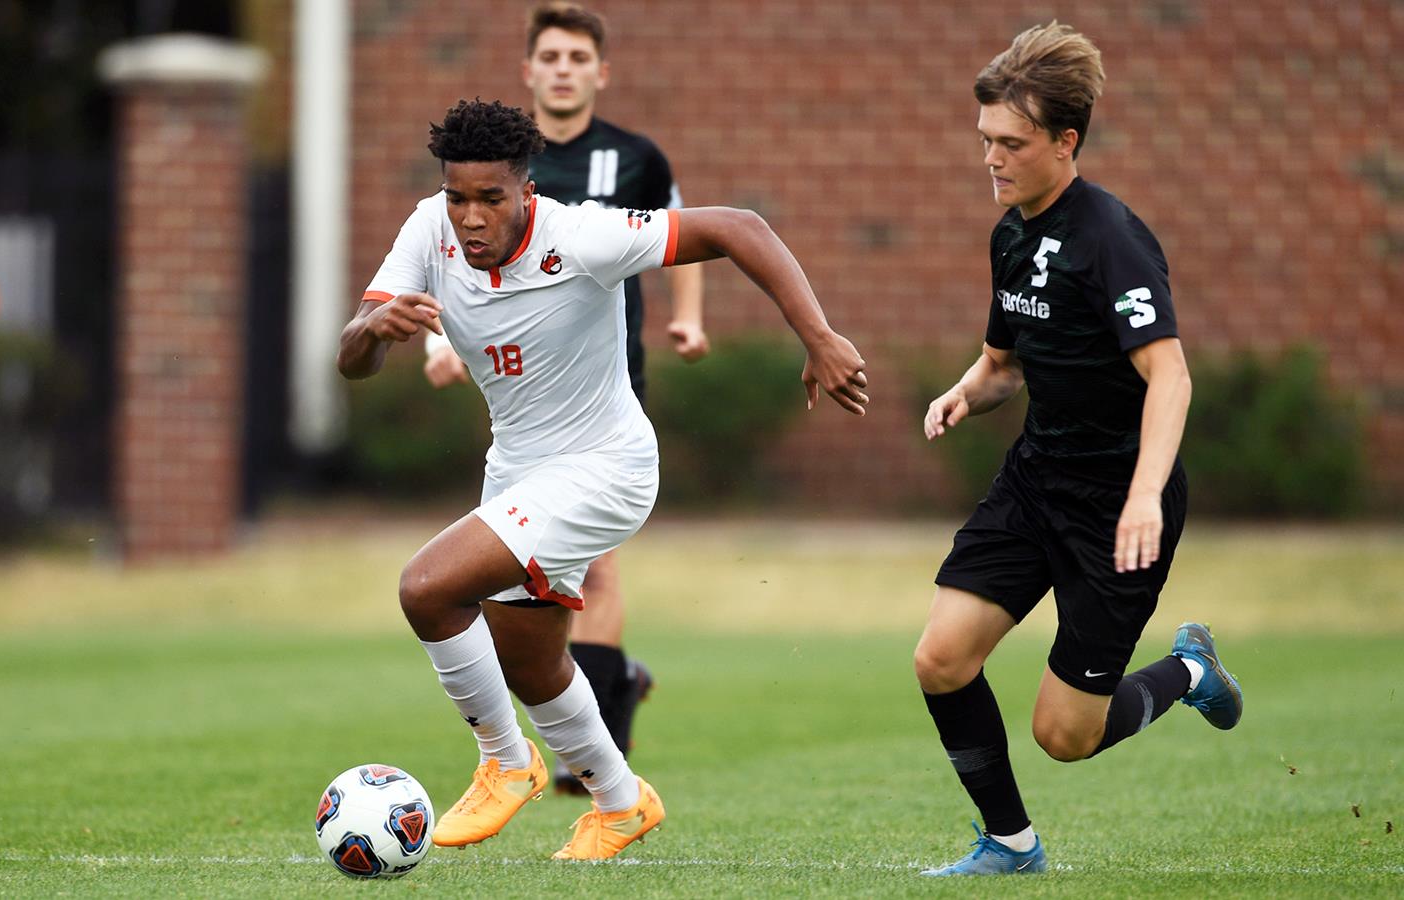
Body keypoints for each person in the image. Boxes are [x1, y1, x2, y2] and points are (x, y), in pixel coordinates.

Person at [340, 99, 865, 860]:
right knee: (531, 660)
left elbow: (741, 227)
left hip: (606, 470)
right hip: (518, 472)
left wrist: (817, 336)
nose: (472, 217)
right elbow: (352, 360)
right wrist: (369, 332)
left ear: (527, 189)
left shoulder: (582, 235)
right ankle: (621, 804)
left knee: (426, 587)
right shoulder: (429, 230)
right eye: (459, 197)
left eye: (491, 198)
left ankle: (505, 761)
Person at [913, 22, 1243, 876]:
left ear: (1065, 142)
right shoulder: (1011, 233)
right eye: (985, 139)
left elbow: (1170, 377)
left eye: (1011, 144)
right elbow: (1005, 365)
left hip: (1118, 507)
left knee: (1066, 735)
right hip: (1036, 481)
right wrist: (963, 393)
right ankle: (1012, 846)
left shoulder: (1112, 239)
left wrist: (1144, 492)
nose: (991, 158)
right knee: (942, 658)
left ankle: (1188, 672)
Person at [422, 3, 704, 795]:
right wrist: (436, 344)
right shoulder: (482, 172)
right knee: (534, 597)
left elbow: (686, 233)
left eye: (578, 57)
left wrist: (688, 320)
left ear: (599, 72)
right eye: (550, 55)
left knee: (591, 574)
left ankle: (597, 755)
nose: (563, 68)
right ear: (529, 70)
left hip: (605, 387)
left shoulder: (634, 157)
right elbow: (445, 274)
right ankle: (601, 716)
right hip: (518, 397)